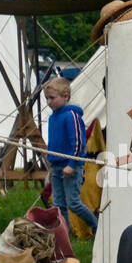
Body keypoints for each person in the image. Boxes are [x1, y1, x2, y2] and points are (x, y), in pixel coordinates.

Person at [43, 77, 97, 236]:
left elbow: (79, 143)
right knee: (58, 204)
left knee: (73, 203)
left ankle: (96, 226)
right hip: (57, 166)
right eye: (47, 98)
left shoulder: (71, 116)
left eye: (52, 98)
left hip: (70, 166)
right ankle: (64, 236)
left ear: (66, 96)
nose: (48, 102)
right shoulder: (53, 117)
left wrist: (71, 164)